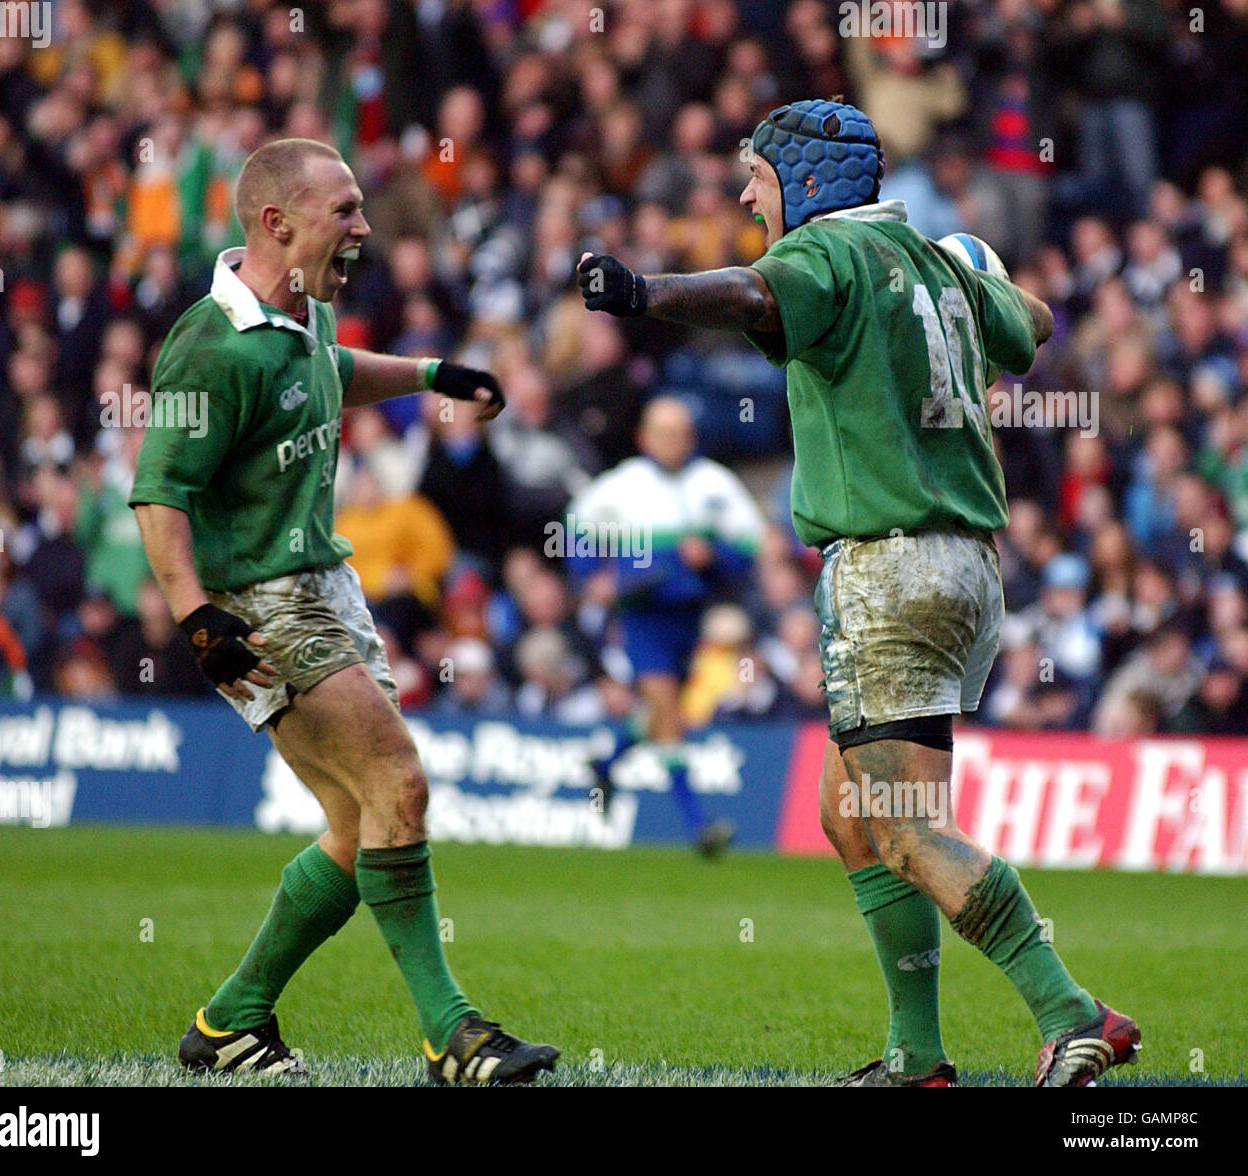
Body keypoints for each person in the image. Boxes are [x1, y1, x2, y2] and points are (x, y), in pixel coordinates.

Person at [576, 99, 1140, 1087]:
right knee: (852, 816)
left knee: (907, 827)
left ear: (803, 180)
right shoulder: (936, 263)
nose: (747, 194)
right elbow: (1036, 326)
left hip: (887, 567)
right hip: (963, 566)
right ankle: (917, 1056)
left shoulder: (827, 254)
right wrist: (979, 268)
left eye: (757, 174)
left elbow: (752, 296)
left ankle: (1072, 1013)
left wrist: (641, 291)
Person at [130, 138, 558, 1085]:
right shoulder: (207, 346)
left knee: (359, 821)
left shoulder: (304, 314)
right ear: (276, 224)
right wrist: (198, 618)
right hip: (264, 604)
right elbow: (158, 496)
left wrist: (429, 375)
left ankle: (230, 1022)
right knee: (398, 784)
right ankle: (454, 1032)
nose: (365, 228)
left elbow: (328, 370)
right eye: (347, 211)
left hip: (330, 587)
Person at [567, 396, 765, 856]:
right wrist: (592, 575)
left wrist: (714, 555)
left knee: (661, 710)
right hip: (642, 615)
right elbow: (575, 529)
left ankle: (607, 760)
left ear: (690, 438)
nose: (671, 442)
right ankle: (699, 825)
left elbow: (749, 546)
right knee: (668, 711)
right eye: (662, 433)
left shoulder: (714, 484)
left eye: (678, 433)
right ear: (643, 437)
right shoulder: (621, 486)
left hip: (690, 615)